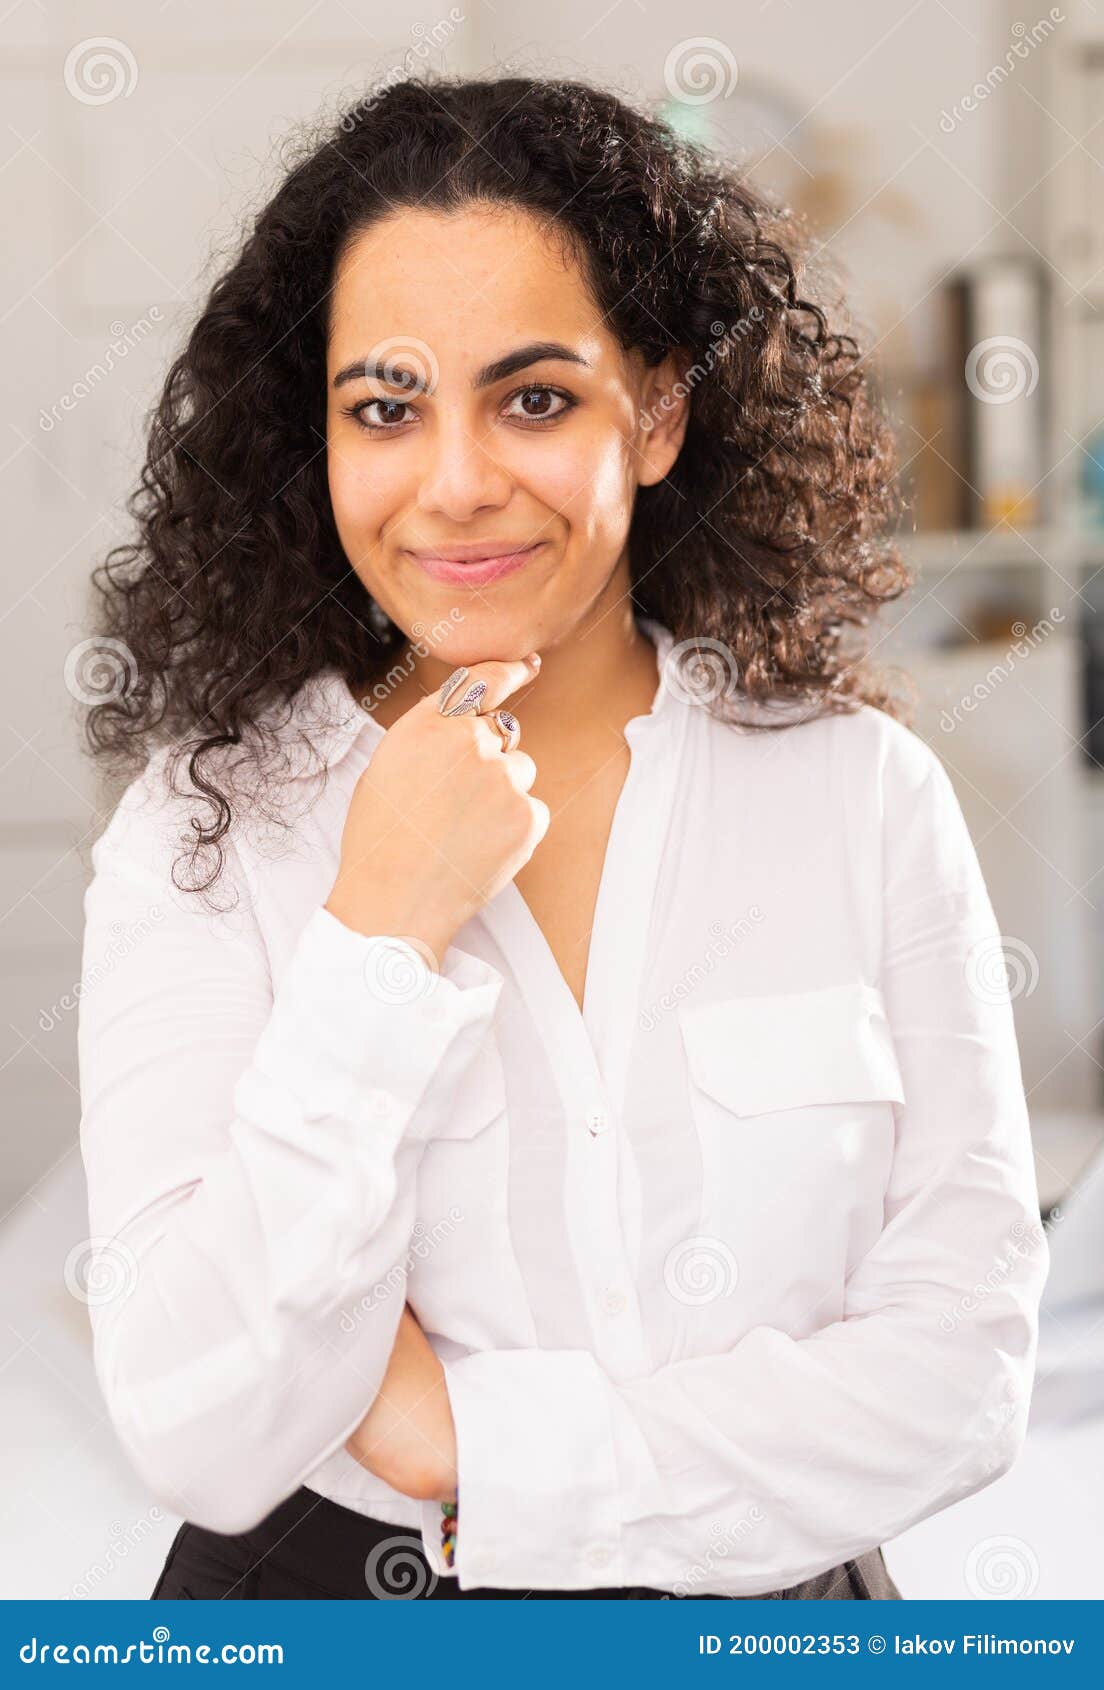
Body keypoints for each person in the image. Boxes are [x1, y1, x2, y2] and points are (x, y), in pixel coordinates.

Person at [76, 73, 1047, 1601]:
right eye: (385, 408)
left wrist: (467, 1439)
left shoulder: (865, 798)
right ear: (315, 433)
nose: (456, 483)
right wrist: (379, 928)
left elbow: (968, 1370)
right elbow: (198, 1426)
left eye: (534, 397)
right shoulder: (209, 837)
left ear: (657, 410)